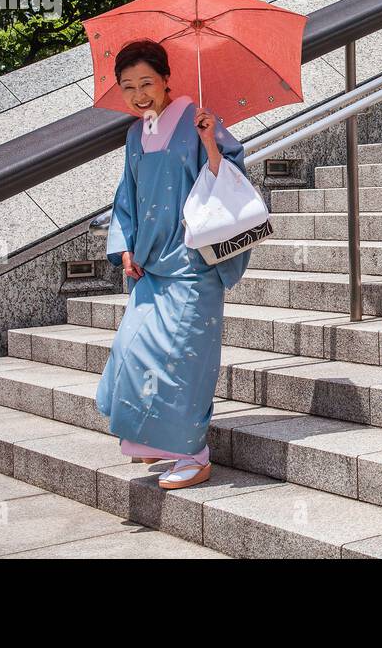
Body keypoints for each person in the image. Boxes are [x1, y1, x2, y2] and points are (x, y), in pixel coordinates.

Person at [95, 39, 254, 489]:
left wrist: (212, 143)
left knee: (183, 361)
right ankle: (161, 443)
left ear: (167, 79)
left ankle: (194, 453)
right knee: (131, 351)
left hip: (193, 264)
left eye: (147, 82)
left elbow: (234, 184)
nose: (140, 94)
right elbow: (126, 196)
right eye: (128, 86)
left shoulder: (201, 121)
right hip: (150, 264)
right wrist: (124, 245)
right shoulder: (134, 134)